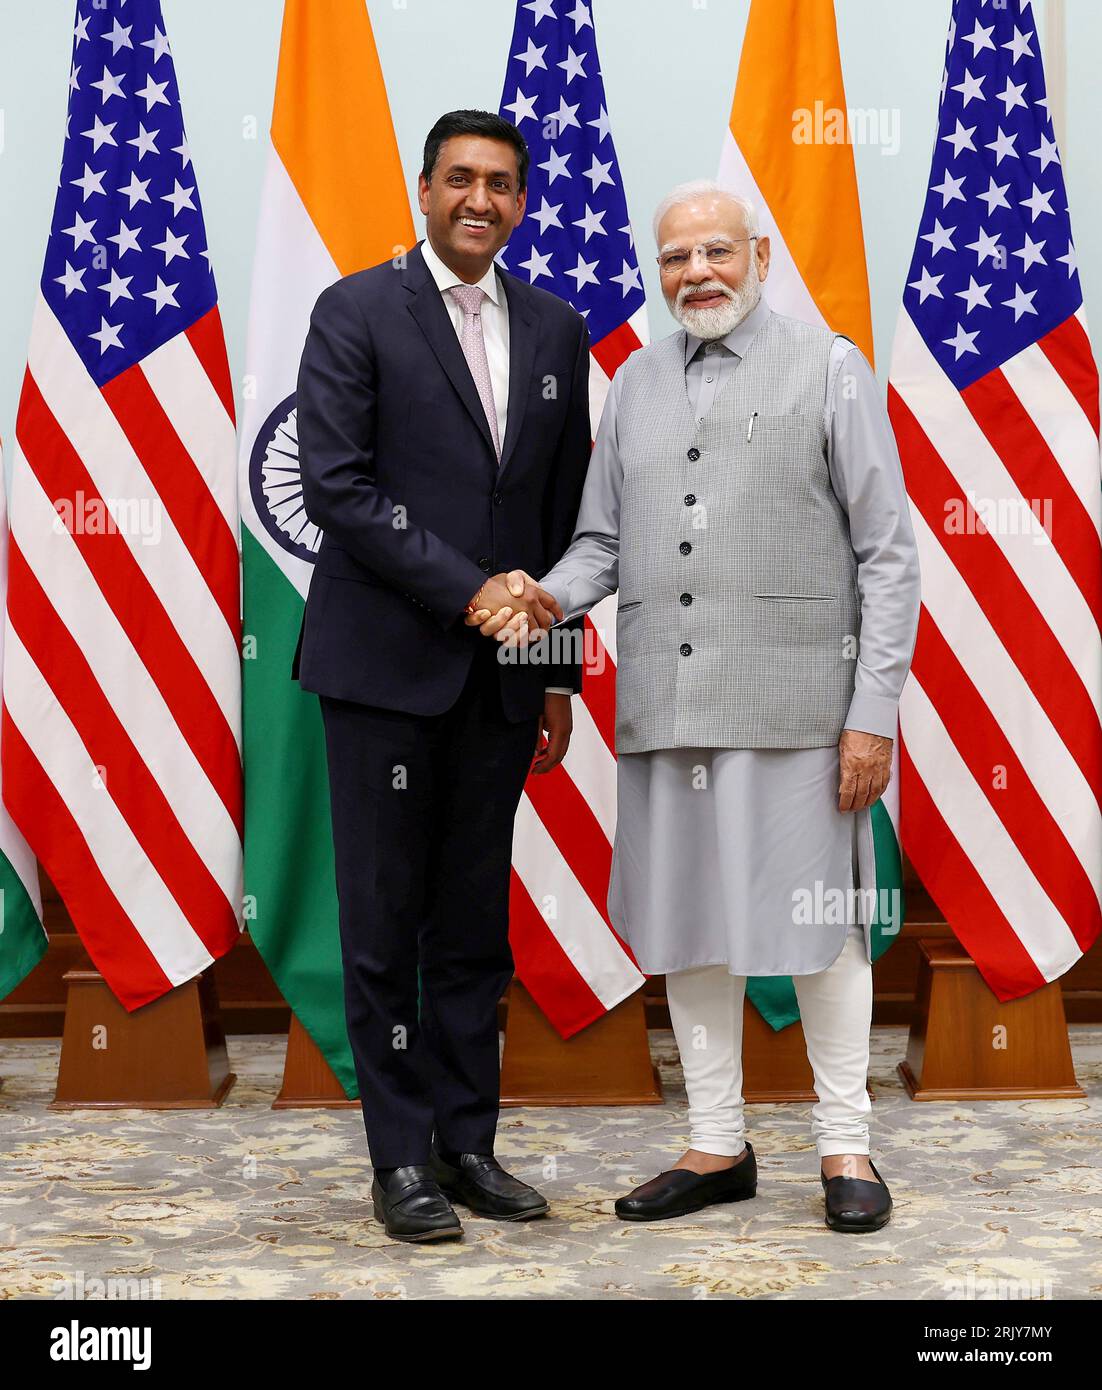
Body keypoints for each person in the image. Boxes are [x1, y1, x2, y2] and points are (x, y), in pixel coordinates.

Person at [470, 180, 921, 1233]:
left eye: (715, 252)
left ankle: (844, 1142)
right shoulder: (630, 382)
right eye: (675, 259)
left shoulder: (831, 368)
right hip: (670, 712)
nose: (696, 274)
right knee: (691, 929)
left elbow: (889, 557)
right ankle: (716, 1141)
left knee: (823, 933)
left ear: (756, 253)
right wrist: (542, 600)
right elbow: (602, 545)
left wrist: (872, 714)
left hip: (799, 710)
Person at [293, 110, 591, 1242]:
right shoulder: (357, 310)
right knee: (383, 923)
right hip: (385, 671)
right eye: (460, 179)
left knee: (473, 925)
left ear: (522, 203)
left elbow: (562, 518)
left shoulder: (559, 330)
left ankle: (469, 1144)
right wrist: (472, 593)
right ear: (424, 190)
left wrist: (554, 674)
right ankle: (399, 1160)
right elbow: (339, 487)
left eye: (502, 184)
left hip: (506, 686)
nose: (481, 199)